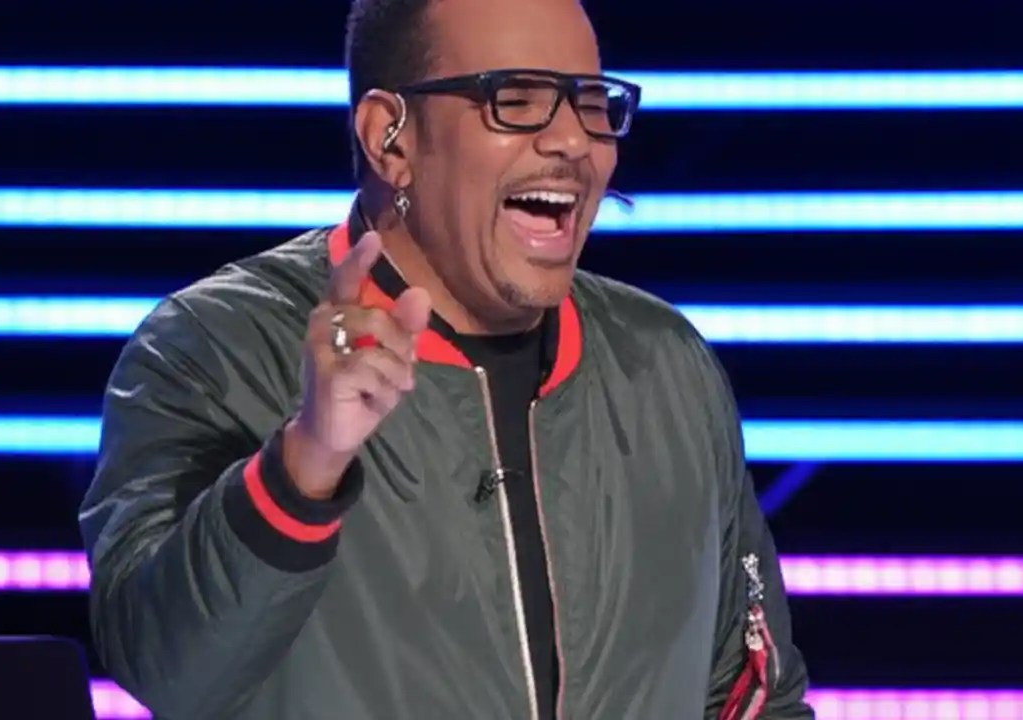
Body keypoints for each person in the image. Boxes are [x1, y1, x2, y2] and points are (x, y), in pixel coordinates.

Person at [78, 0, 814, 718]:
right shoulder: (214, 348)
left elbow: (756, 694)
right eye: (515, 100)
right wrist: (305, 464)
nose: (572, 141)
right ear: (389, 137)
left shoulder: (665, 367)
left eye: (590, 103)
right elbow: (167, 673)